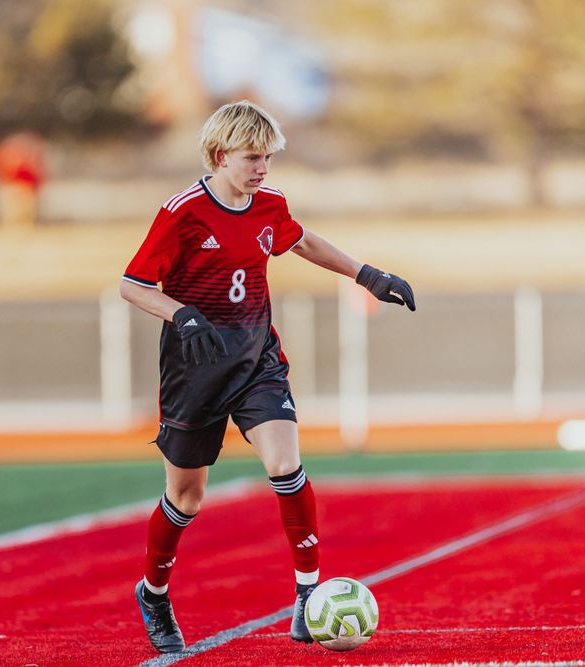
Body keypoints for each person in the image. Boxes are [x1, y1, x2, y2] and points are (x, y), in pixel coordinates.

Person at [121, 100, 416, 654]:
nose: (262, 169)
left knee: (286, 464)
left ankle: (307, 595)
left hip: (258, 360)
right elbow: (132, 285)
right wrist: (181, 313)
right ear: (219, 155)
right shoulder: (181, 212)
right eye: (252, 158)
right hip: (194, 371)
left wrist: (368, 276)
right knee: (186, 497)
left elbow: (301, 241)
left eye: (268, 159)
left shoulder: (270, 204)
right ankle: (154, 591)